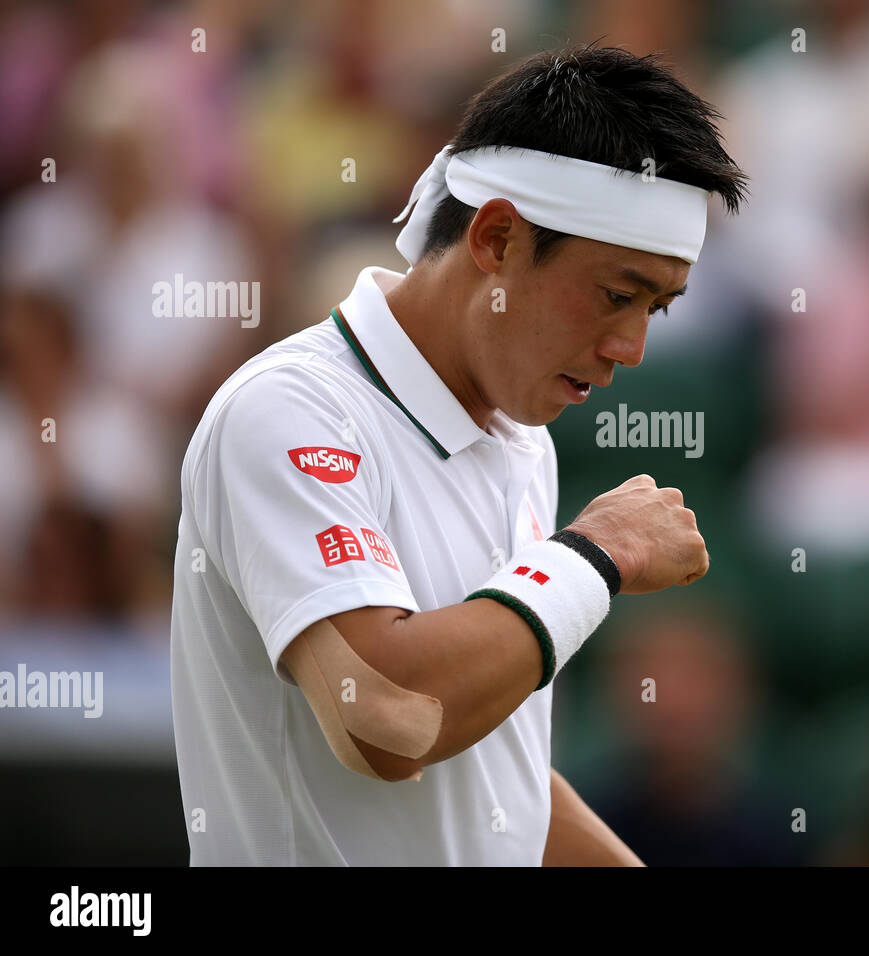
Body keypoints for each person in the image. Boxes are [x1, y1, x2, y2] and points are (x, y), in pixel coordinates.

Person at [169, 44, 748, 865]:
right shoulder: (288, 411)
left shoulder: (524, 442)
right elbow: (385, 718)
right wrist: (596, 556)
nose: (633, 346)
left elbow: (493, 781)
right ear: (497, 238)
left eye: (658, 305)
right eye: (619, 294)